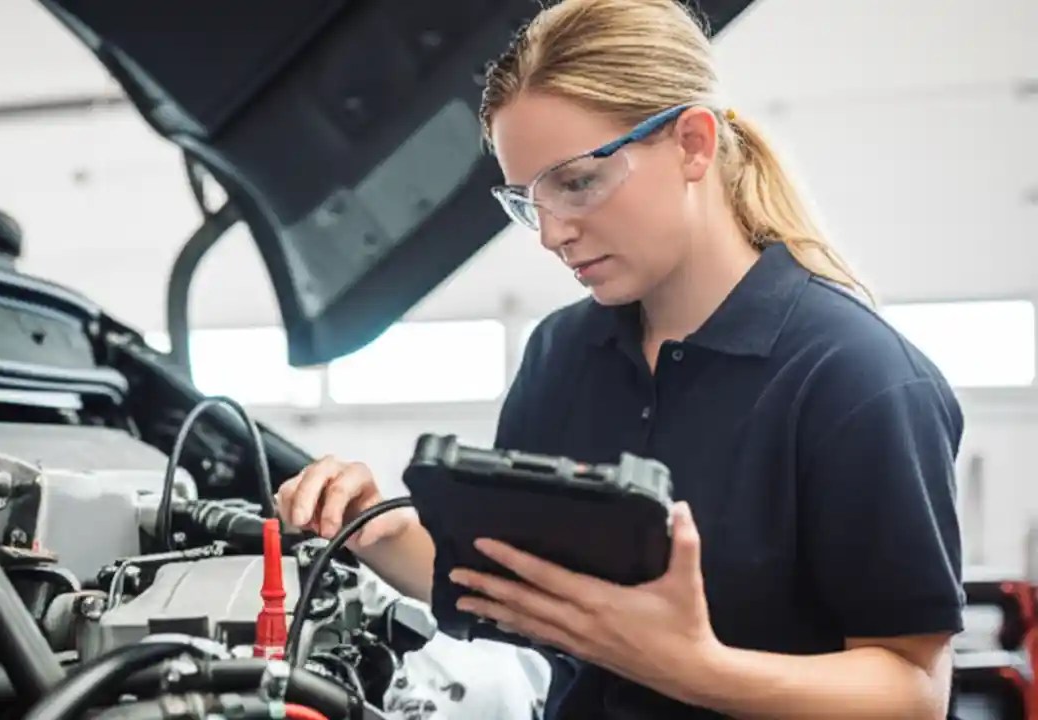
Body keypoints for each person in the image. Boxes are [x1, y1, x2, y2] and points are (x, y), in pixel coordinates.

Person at [275, 0, 965, 717]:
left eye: (576, 183)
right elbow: (520, 590)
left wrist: (691, 668)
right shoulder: (563, 354)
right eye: (528, 201)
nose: (551, 235)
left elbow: (911, 690)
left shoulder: (858, 379)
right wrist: (381, 530)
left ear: (693, 144)